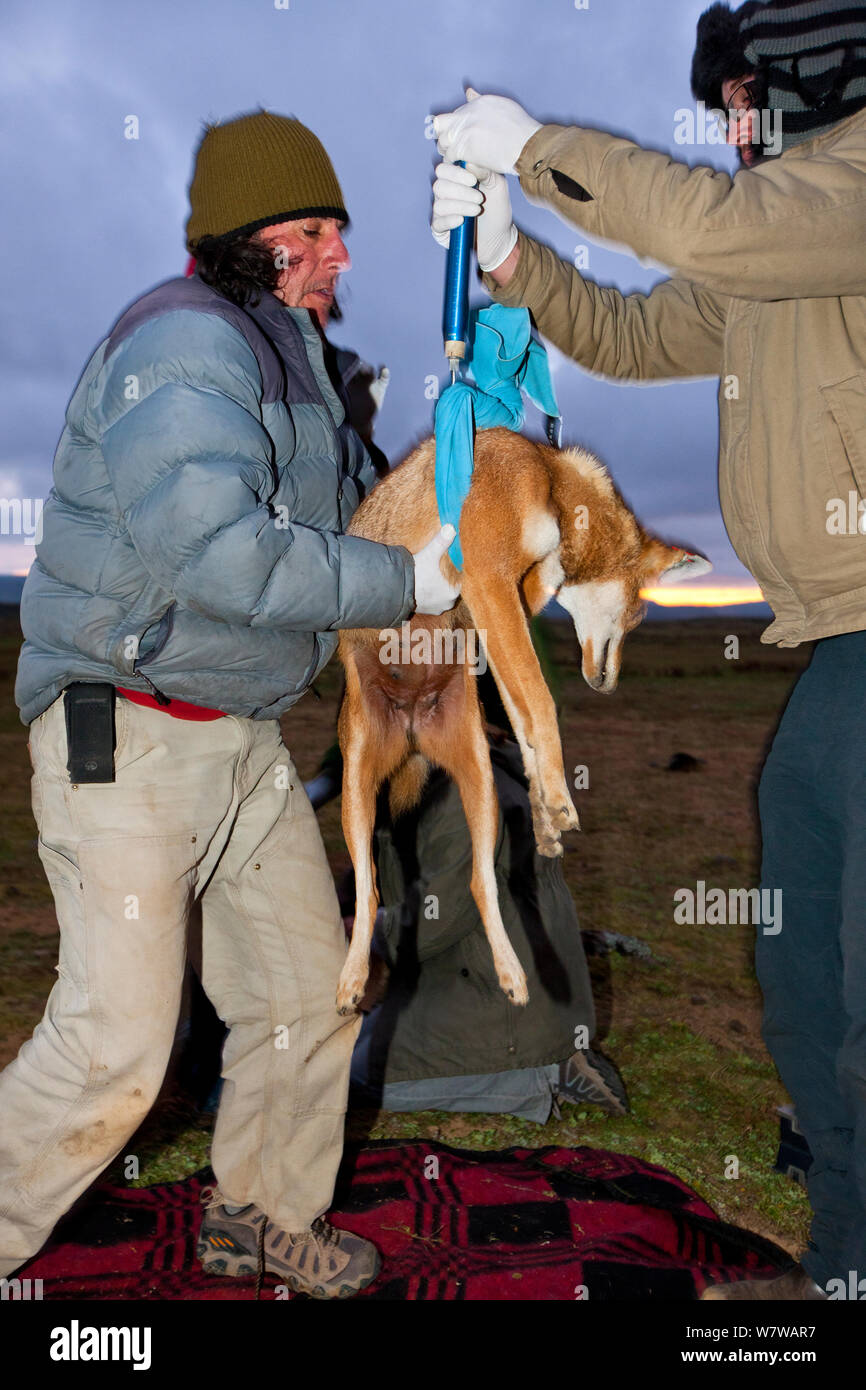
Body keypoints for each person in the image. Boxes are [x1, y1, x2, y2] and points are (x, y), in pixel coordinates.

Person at [431, 0, 866, 1301]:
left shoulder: (836, 191)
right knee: (805, 968)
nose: (729, 127)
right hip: (837, 646)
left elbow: (707, 224)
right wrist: (513, 263)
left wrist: (532, 149)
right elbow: (628, 331)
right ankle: (841, 1247)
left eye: (740, 99)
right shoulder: (776, 244)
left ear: (807, 73)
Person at [0, 108, 459, 1300]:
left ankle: (260, 1214)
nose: (340, 256)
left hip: (240, 740)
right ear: (247, 239)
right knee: (115, 1050)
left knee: (312, 992)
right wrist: (407, 583)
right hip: (131, 727)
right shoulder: (183, 344)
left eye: (341, 233)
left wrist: (474, 464)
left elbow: (363, 523)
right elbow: (223, 555)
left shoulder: (298, 359)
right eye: (315, 231)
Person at [348, 712, 629, 1123]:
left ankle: (539, 1078)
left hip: (503, 1009)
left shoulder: (453, 792)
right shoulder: (481, 758)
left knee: (351, 1077)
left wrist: (366, 931)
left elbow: (433, 921)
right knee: (353, 1041)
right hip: (507, 987)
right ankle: (540, 1057)